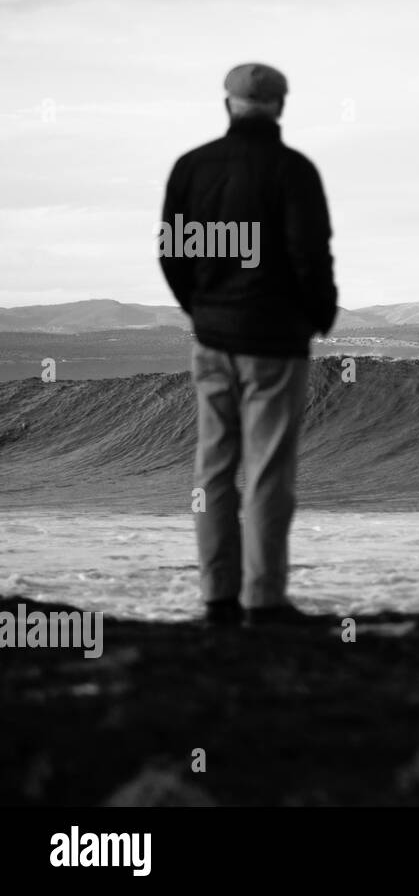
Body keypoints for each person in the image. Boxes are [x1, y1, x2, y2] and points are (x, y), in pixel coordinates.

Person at [158, 62, 338, 627]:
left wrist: (202, 310)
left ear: (228, 103)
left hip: (213, 338)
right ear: (280, 106)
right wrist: (320, 313)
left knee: (213, 466)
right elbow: (311, 252)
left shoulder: (192, 167)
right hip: (275, 341)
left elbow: (172, 252)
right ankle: (263, 601)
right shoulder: (294, 170)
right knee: (266, 472)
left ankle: (217, 599)